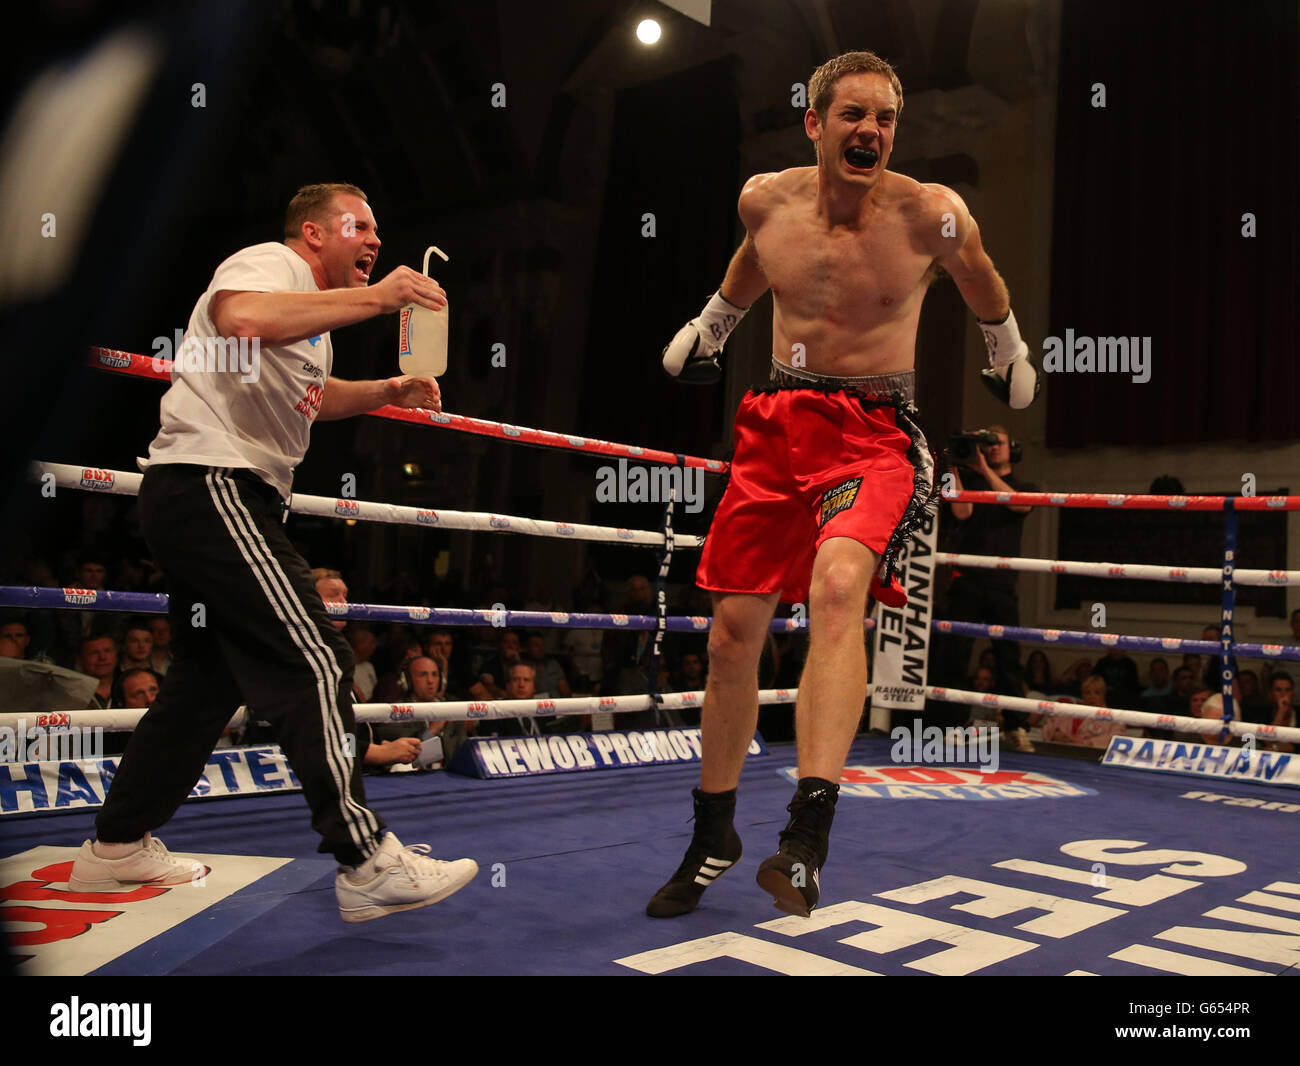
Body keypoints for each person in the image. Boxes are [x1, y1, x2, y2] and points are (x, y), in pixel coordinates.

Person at [648, 51, 1038, 919]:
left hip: (874, 433)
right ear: (815, 124)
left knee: (836, 588)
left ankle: (807, 839)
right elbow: (757, 258)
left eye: (886, 120)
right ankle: (714, 831)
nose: (871, 131)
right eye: (853, 115)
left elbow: (978, 275)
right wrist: (714, 323)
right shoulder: (764, 200)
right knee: (730, 635)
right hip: (776, 426)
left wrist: (1004, 347)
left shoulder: (930, 215)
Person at [68, 183, 477, 921]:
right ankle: (365, 861)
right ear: (314, 233)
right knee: (313, 654)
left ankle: (115, 847)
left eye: (380, 228)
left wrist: (387, 388)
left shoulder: (313, 324)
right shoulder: (270, 266)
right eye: (361, 225)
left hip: (215, 495)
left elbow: (314, 400)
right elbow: (241, 317)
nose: (376, 239)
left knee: (202, 689)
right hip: (212, 484)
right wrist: (382, 300)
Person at [932, 426, 1038, 738]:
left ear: (1012, 448)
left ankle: (1016, 727)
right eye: (986, 443)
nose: (992, 449)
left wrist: (984, 470)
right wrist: (953, 465)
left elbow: (1020, 504)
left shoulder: (1021, 485)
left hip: (1002, 583)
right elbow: (962, 512)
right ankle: (950, 725)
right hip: (966, 579)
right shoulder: (969, 482)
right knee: (954, 653)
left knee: (1008, 657)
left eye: (998, 443)